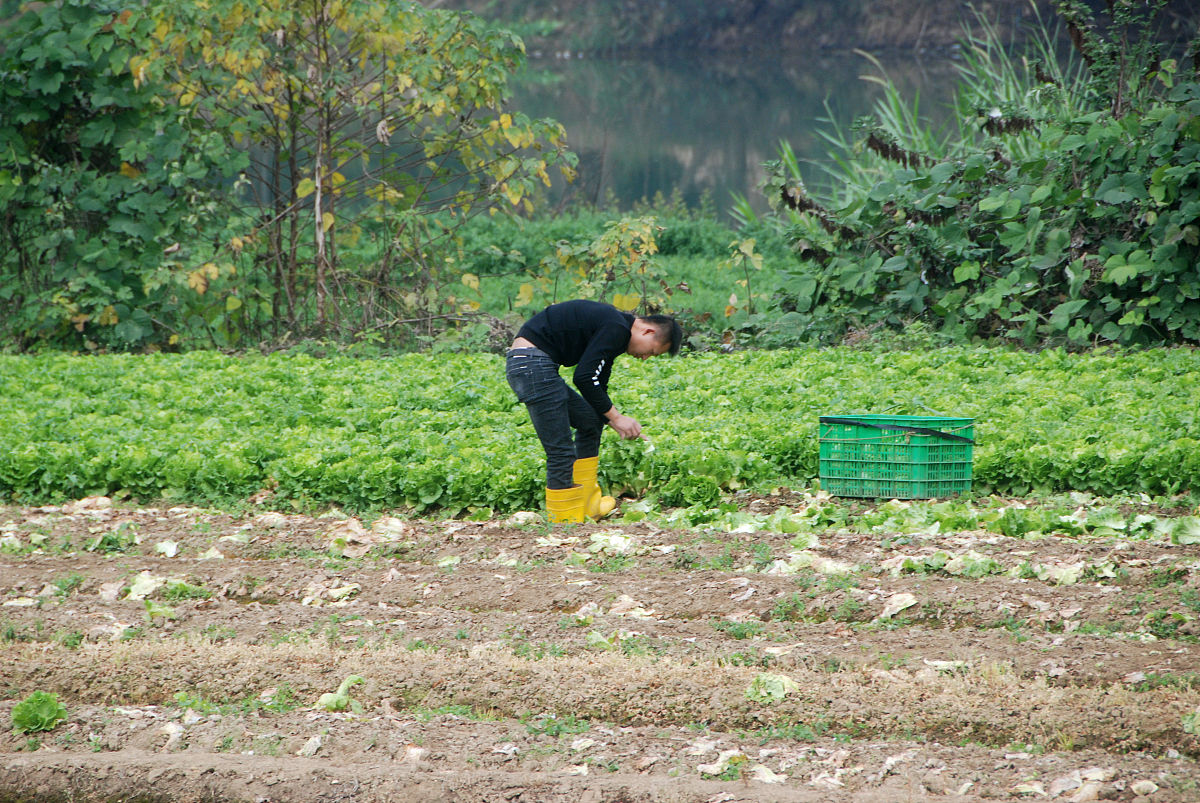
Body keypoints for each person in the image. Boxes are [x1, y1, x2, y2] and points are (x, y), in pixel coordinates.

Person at [506, 300, 682, 523]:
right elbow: (584, 377)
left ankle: (587, 503)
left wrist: (612, 420)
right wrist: (617, 418)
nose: (645, 358)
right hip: (531, 365)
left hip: (534, 365)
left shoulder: (616, 330)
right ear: (648, 331)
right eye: (652, 352)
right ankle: (564, 519)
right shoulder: (617, 327)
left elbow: (598, 384)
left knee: (590, 420)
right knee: (561, 451)